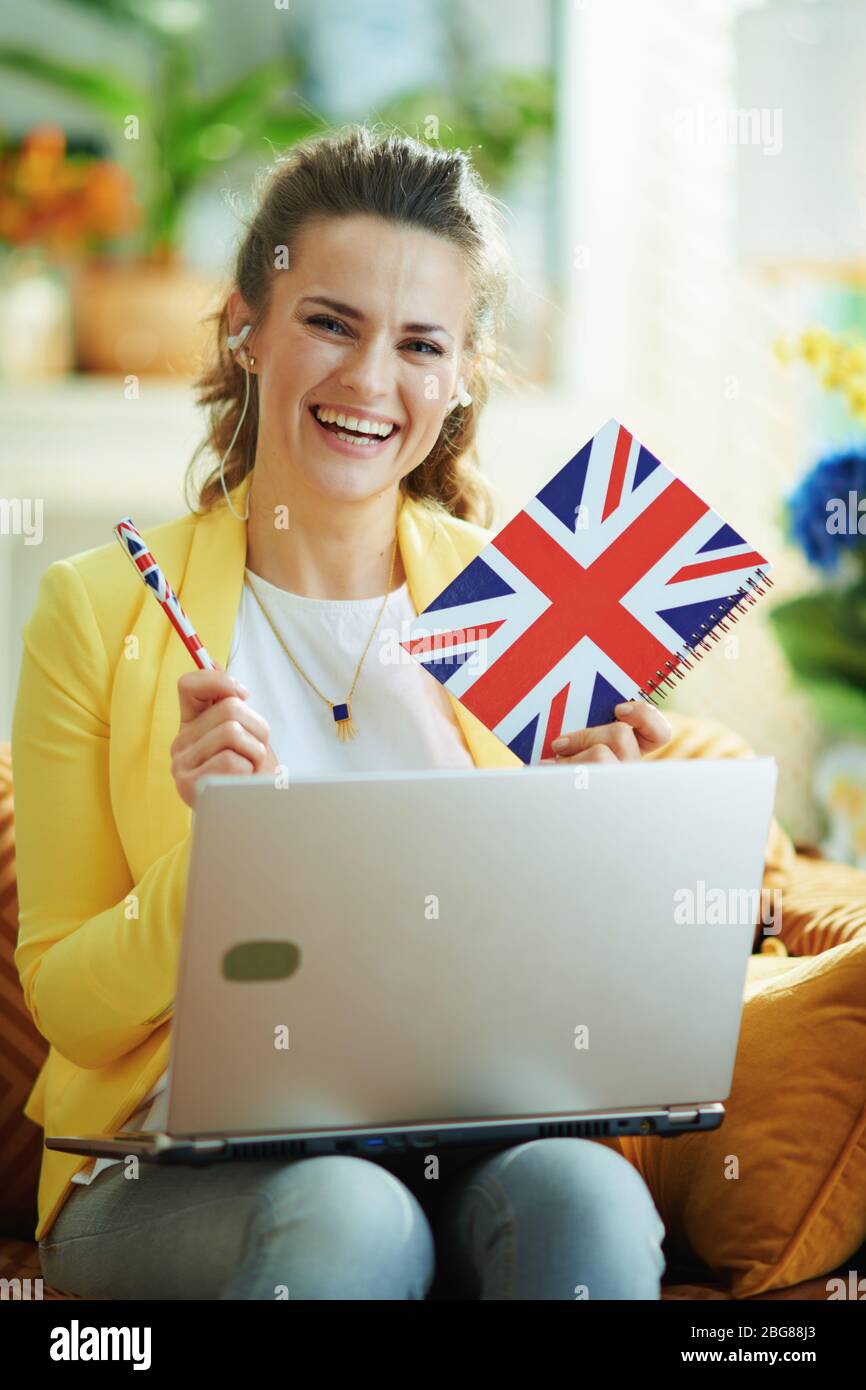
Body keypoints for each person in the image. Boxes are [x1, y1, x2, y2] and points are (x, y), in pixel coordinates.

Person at [15, 125, 672, 1300]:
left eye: (420, 343)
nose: (371, 381)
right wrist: (214, 864)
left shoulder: (516, 605)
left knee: (586, 1197)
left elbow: (567, 999)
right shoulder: (99, 608)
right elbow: (64, 996)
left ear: (460, 375)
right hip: (170, 1164)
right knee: (349, 1211)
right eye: (330, 321)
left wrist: (613, 840)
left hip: (466, 1140)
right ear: (244, 329)